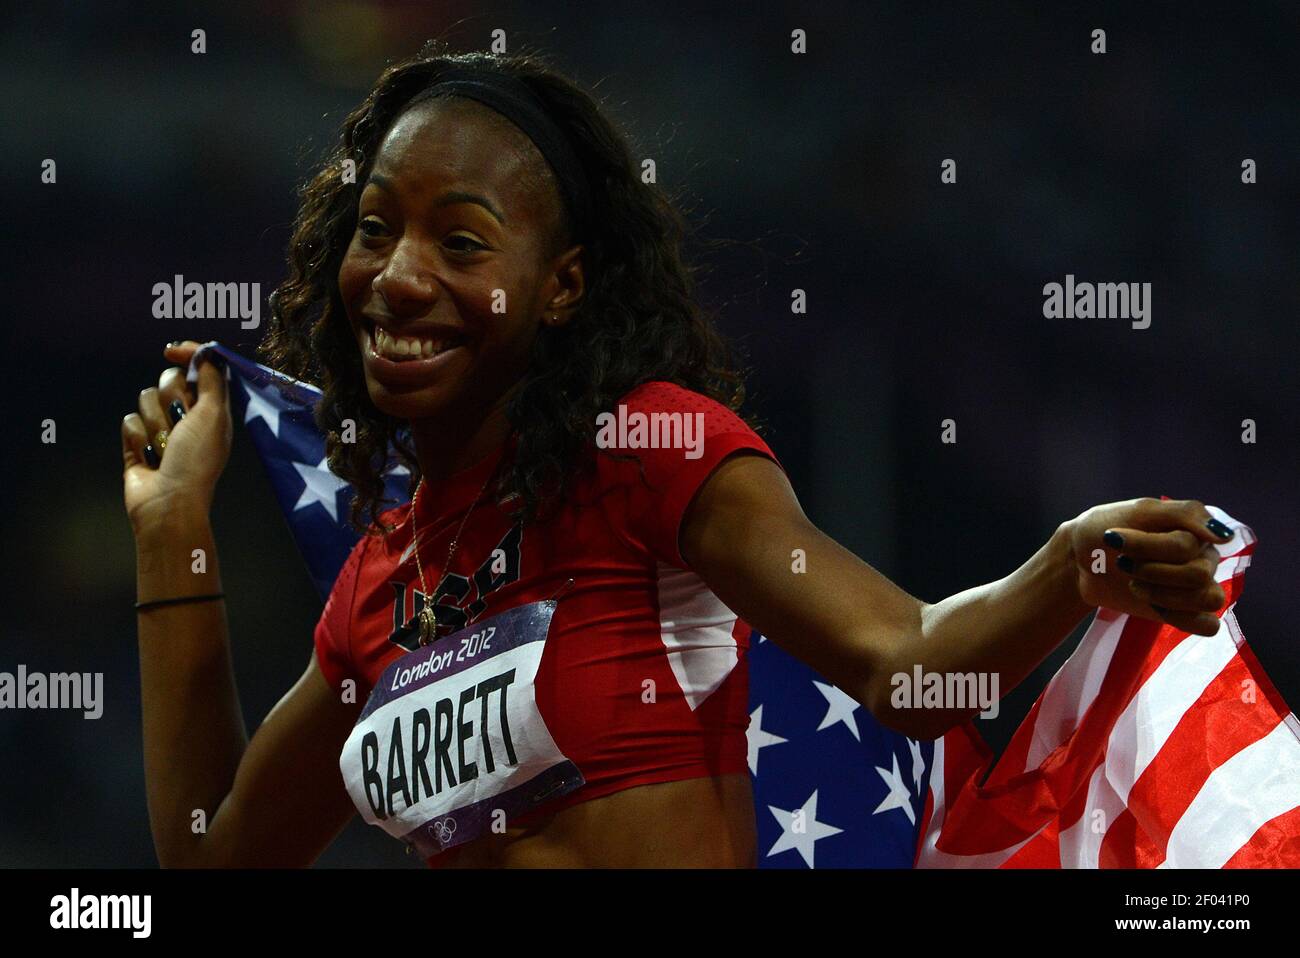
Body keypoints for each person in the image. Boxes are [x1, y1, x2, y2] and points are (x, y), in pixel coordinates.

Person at [120, 47, 1235, 868]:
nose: (399, 277)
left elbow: (905, 664)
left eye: (460, 241)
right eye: (375, 229)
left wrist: (1068, 561)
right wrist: (173, 533)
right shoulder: (377, 585)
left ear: (562, 285)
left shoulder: (645, 452)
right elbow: (216, 862)